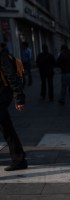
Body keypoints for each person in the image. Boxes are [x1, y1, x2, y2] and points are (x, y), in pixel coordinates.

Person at [0, 42, 28, 171]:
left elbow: (12, 77)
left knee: (7, 127)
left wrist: (19, 99)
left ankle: (19, 159)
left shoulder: (2, 56)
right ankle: (19, 159)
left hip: (3, 95)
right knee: (6, 127)